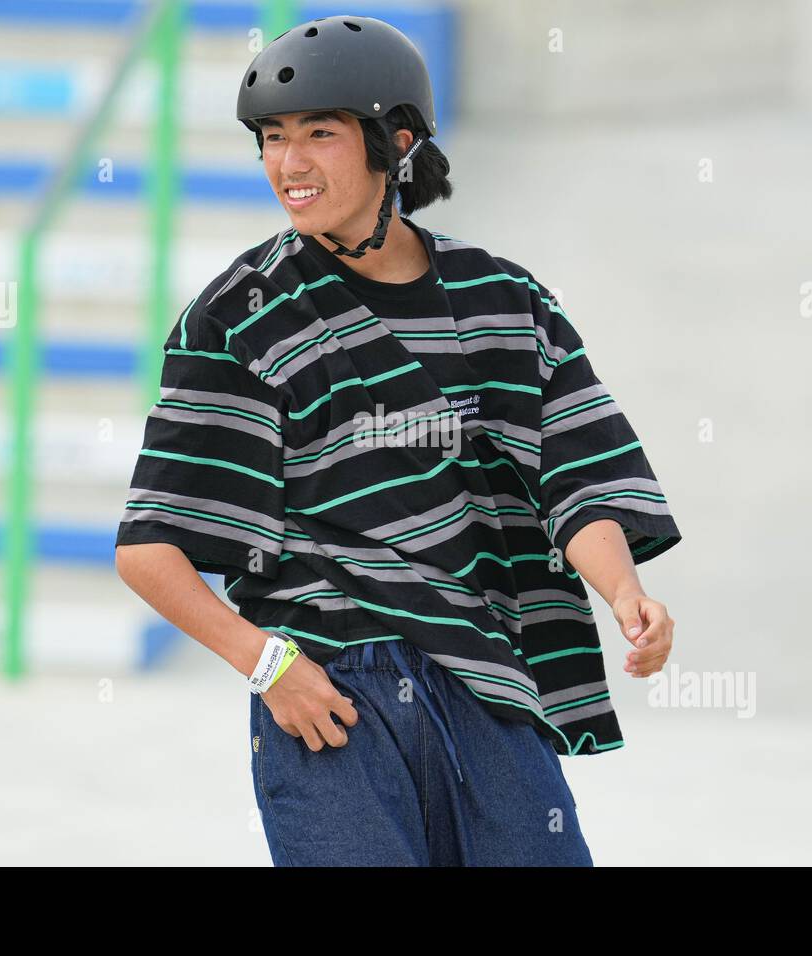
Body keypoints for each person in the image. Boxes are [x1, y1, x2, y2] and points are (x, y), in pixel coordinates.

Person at [114, 14, 682, 866]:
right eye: (272, 138)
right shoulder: (241, 318)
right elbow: (150, 548)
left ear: (397, 141)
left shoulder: (503, 298)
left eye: (320, 134)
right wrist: (270, 667)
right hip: (334, 693)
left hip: (484, 677)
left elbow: (575, 476)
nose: (289, 164)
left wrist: (623, 591)